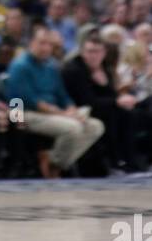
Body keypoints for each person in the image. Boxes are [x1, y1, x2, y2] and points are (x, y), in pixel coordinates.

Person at [5, 24, 105, 177]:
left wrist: (71, 109)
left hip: (53, 112)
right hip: (23, 112)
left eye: (49, 44)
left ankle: (54, 162)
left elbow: (62, 95)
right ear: (31, 43)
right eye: (42, 43)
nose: (46, 48)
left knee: (95, 126)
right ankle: (54, 166)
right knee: (73, 128)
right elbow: (30, 101)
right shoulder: (20, 66)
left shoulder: (51, 66)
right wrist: (64, 114)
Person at [62, 32, 146, 174]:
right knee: (112, 115)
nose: (93, 55)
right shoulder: (75, 70)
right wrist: (117, 101)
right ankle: (114, 163)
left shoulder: (104, 68)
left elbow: (111, 95)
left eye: (97, 51)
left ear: (104, 52)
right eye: (90, 51)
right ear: (82, 52)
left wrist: (117, 97)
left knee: (132, 114)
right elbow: (87, 101)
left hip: (102, 106)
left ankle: (132, 162)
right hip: (79, 109)